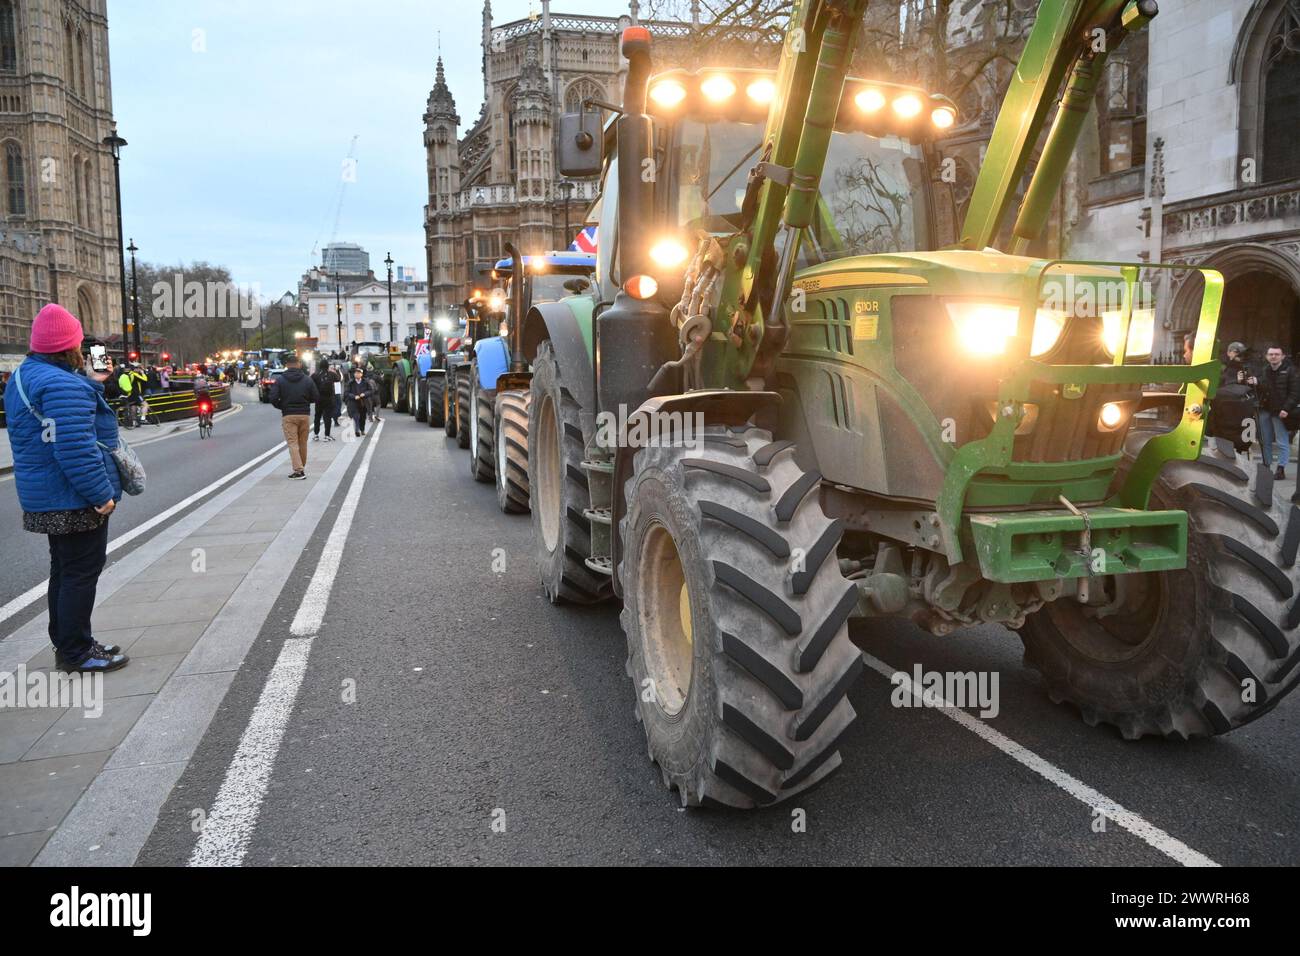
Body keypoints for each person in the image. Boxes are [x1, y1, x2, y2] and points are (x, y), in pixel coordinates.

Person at [8, 305, 128, 673]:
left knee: (64, 569)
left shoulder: (25, 376)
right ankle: (76, 652)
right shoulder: (62, 383)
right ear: (67, 346)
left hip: (46, 494)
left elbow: (58, 421)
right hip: (73, 497)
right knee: (80, 572)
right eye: (78, 341)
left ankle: (72, 642)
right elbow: (74, 447)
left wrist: (91, 381)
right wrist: (101, 495)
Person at [269, 354, 319, 479]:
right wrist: (306, 402)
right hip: (304, 415)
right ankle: (301, 467)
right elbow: (316, 397)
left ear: (286, 365)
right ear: (299, 364)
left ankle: (299, 470)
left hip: (288, 415)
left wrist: (283, 406)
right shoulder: (307, 379)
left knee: (292, 443)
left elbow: (273, 398)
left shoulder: (280, 380)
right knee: (303, 443)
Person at [1257, 344, 1299, 480]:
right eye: (1271, 354)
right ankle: (1267, 466)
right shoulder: (1264, 370)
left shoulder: (1290, 371)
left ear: (1282, 356)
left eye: (1276, 354)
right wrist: (1254, 382)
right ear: (1267, 356)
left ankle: (1281, 469)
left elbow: (1295, 392)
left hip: (1280, 412)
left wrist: (1286, 409)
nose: (1273, 356)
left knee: (1282, 441)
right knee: (1265, 441)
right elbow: (1261, 389)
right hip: (1265, 410)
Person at [310, 360, 339, 442]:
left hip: (318, 399)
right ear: (327, 366)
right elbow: (339, 379)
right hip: (329, 399)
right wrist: (336, 371)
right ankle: (327, 435)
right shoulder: (332, 374)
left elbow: (310, 384)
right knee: (327, 417)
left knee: (317, 416)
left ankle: (316, 435)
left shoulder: (315, 375)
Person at [344, 364, 376, 437]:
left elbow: (371, 390)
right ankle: (357, 430)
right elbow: (346, 393)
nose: (357, 374)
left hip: (363, 402)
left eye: (359, 373)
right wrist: (354, 396)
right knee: (356, 416)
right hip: (354, 402)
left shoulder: (366, 382)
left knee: (362, 417)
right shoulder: (351, 382)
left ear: (361, 374)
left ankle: (362, 429)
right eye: (356, 373)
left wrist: (364, 394)